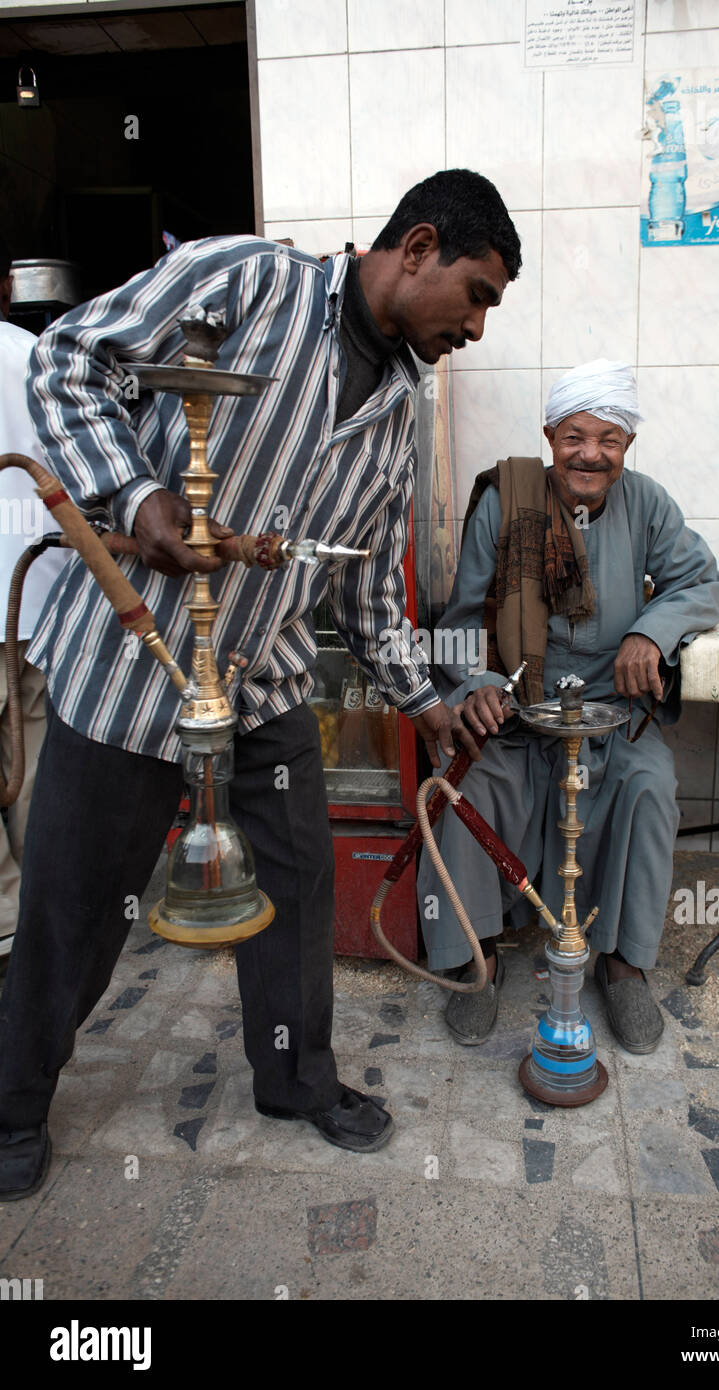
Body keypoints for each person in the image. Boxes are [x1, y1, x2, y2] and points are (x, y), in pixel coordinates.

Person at [0, 170, 521, 1199]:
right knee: (77, 902)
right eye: (476, 293)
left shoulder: (401, 414)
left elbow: (367, 584)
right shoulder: (244, 279)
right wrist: (138, 493)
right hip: (132, 664)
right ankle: (12, 1103)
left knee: (293, 885)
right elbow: (69, 358)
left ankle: (293, 1076)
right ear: (416, 247)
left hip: (261, 683)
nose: (475, 323)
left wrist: (424, 698)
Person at [417, 359, 719, 1052]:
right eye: (576, 437)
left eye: (609, 440)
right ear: (551, 435)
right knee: (460, 784)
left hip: (611, 712)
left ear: (626, 448)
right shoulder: (510, 499)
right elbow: (462, 620)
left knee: (650, 786)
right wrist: (475, 687)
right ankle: (478, 957)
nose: (591, 454)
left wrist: (652, 630)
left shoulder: (647, 503)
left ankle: (624, 965)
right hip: (522, 710)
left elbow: (701, 581)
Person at [0, 243, 67, 957]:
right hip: (40, 598)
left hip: (17, 594)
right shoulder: (38, 356)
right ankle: (44, 912)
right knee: (36, 756)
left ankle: (8, 922)